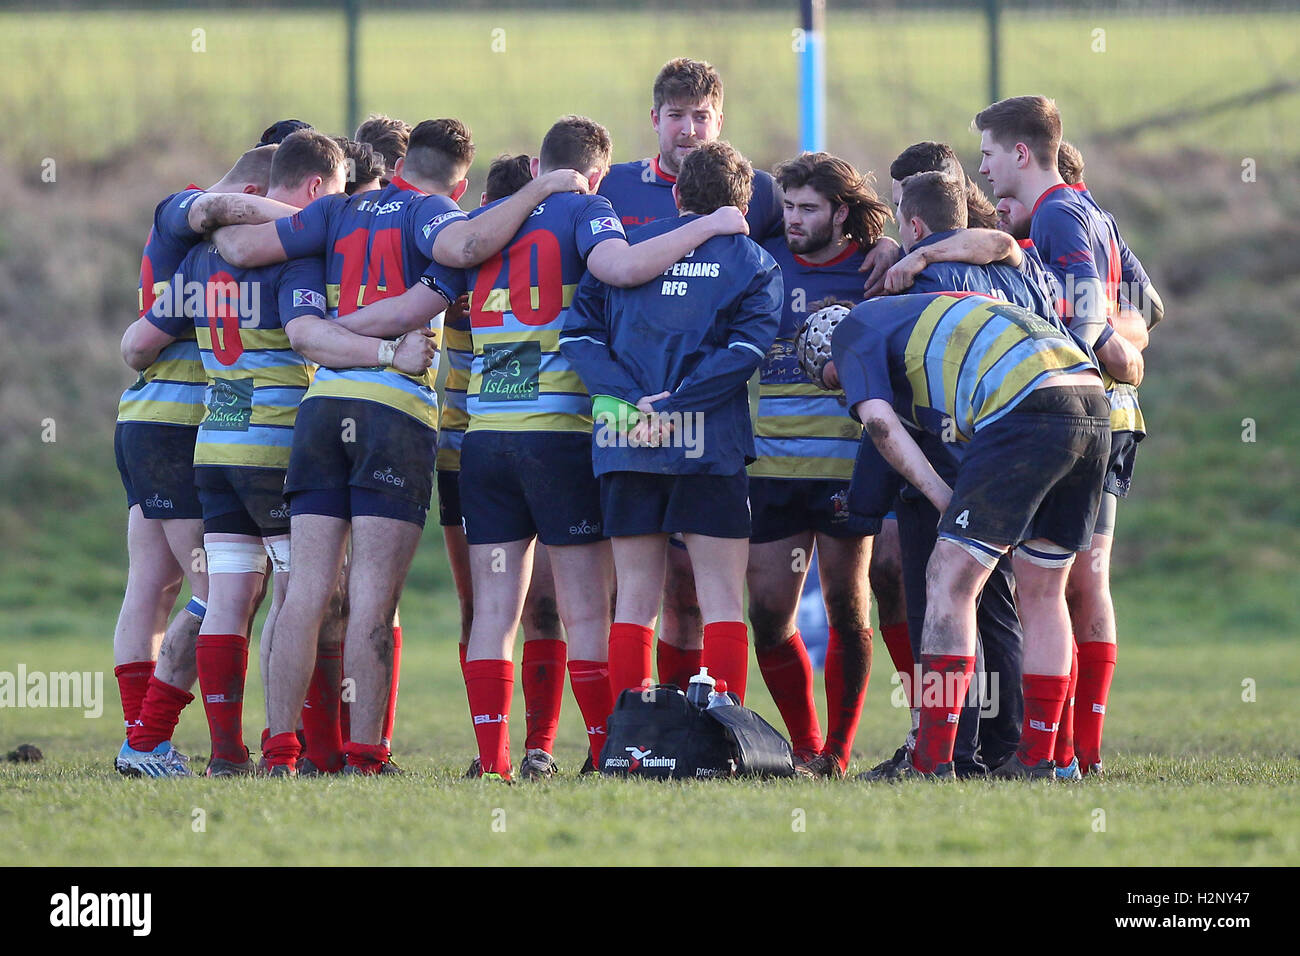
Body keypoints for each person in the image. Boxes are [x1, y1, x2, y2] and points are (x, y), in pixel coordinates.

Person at [212, 119, 589, 774]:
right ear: (461, 180)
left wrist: (203, 206)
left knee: (304, 593)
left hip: (319, 412)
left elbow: (242, 249)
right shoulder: (427, 212)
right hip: (393, 415)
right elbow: (471, 241)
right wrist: (543, 189)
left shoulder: (331, 212)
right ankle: (363, 754)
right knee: (371, 598)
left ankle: (279, 750)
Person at [118, 130, 412, 775]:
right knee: (304, 599)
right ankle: (310, 750)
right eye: (331, 197)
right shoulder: (292, 258)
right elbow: (315, 336)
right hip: (277, 443)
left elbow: (140, 340)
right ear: (315, 189)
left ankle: (225, 753)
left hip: (213, 443)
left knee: (224, 597)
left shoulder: (199, 258)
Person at [828, 293, 1109, 779]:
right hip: (1090, 397)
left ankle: (931, 759)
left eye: (834, 383)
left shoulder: (850, 331)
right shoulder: (923, 318)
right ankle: (1039, 759)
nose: (841, 392)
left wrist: (941, 498)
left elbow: (877, 420)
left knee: (949, 579)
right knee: (1043, 591)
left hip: (1025, 403)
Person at [562, 139, 782, 707]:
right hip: (709, 442)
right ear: (745, 202)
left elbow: (579, 338)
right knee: (722, 601)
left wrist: (633, 400)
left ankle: (631, 738)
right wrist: (678, 403)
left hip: (627, 436)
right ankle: (719, 731)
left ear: (678, 192)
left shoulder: (626, 245)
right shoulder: (755, 262)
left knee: (634, 598)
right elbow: (743, 353)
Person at [112, 142, 296, 776]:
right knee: (218, 589)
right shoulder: (188, 213)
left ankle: (146, 739)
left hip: (154, 422)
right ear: (255, 191)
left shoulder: (198, 258)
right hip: (180, 422)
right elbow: (137, 347)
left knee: (155, 585)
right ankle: (146, 740)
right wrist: (314, 223)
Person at [975, 96, 1146, 776]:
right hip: (1104, 413)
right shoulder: (1085, 209)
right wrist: (1119, 342)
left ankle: (1061, 752)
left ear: (1020, 152)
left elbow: (1084, 306)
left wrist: (1088, 349)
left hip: (1075, 420)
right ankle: (1073, 753)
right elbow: (1145, 303)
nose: (983, 168)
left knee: (1055, 585)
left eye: (989, 153)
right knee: (1075, 585)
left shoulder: (1056, 212)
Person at [746, 151, 891, 778]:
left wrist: (892, 250)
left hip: (846, 466)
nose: (795, 218)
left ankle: (836, 750)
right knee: (769, 612)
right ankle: (803, 745)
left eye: (809, 208)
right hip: (773, 465)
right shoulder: (763, 258)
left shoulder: (873, 267)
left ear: (840, 210)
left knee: (846, 604)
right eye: (790, 206)